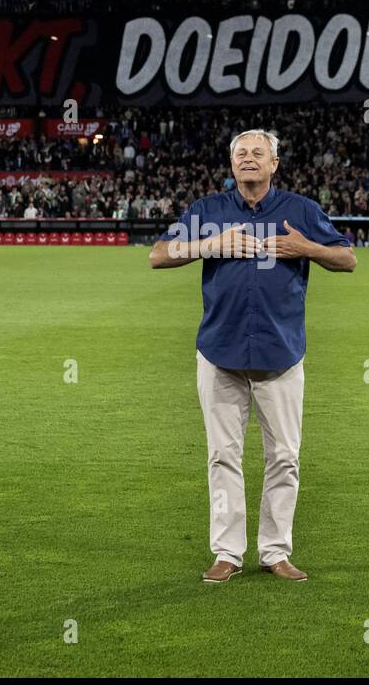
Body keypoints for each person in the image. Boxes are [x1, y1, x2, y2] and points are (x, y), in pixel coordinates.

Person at [149, 129, 356, 584]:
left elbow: (348, 258)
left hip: (280, 353)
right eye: (240, 153)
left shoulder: (301, 210)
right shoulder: (208, 211)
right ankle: (227, 552)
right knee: (222, 455)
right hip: (219, 351)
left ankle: (275, 552)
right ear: (231, 164)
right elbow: (158, 255)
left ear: (274, 163)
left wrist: (309, 249)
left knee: (284, 456)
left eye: (257, 153)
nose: (248, 159)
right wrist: (210, 245)